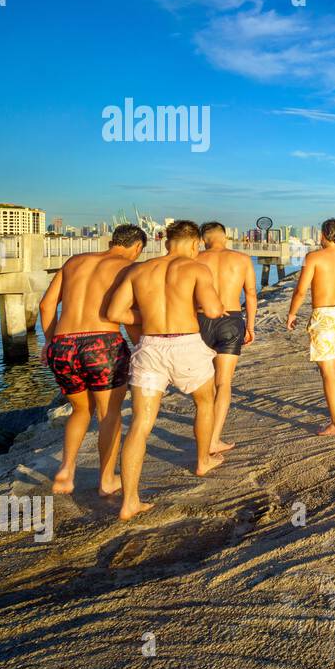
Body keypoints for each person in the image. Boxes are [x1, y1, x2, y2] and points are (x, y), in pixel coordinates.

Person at [106, 220, 227, 521]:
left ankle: (130, 502)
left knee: (140, 425)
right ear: (194, 243)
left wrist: (149, 312)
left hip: (150, 347)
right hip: (185, 344)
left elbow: (115, 313)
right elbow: (212, 310)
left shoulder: (139, 270)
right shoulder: (196, 268)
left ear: (166, 241)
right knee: (205, 401)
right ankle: (202, 460)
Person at [37, 223, 148, 497]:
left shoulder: (74, 261)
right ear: (137, 247)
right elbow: (124, 313)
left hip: (63, 346)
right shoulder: (128, 268)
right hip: (102, 344)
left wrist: (51, 341)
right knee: (108, 413)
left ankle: (65, 470)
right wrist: (142, 346)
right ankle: (107, 479)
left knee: (80, 410)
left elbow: (46, 305)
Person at [287, 218, 335, 436]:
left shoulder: (313, 257)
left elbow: (301, 291)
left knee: (328, 371)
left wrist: (292, 313)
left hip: (324, 314)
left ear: (322, 235)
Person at [196, 222, 257, 455]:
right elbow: (250, 294)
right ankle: (213, 440)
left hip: (200, 320)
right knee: (223, 383)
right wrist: (250, 326)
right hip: (231, 319)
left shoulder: (195, 259)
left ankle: (204, 431)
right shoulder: (242, 259)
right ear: (226, 236)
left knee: (204, 384)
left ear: (203, 240)